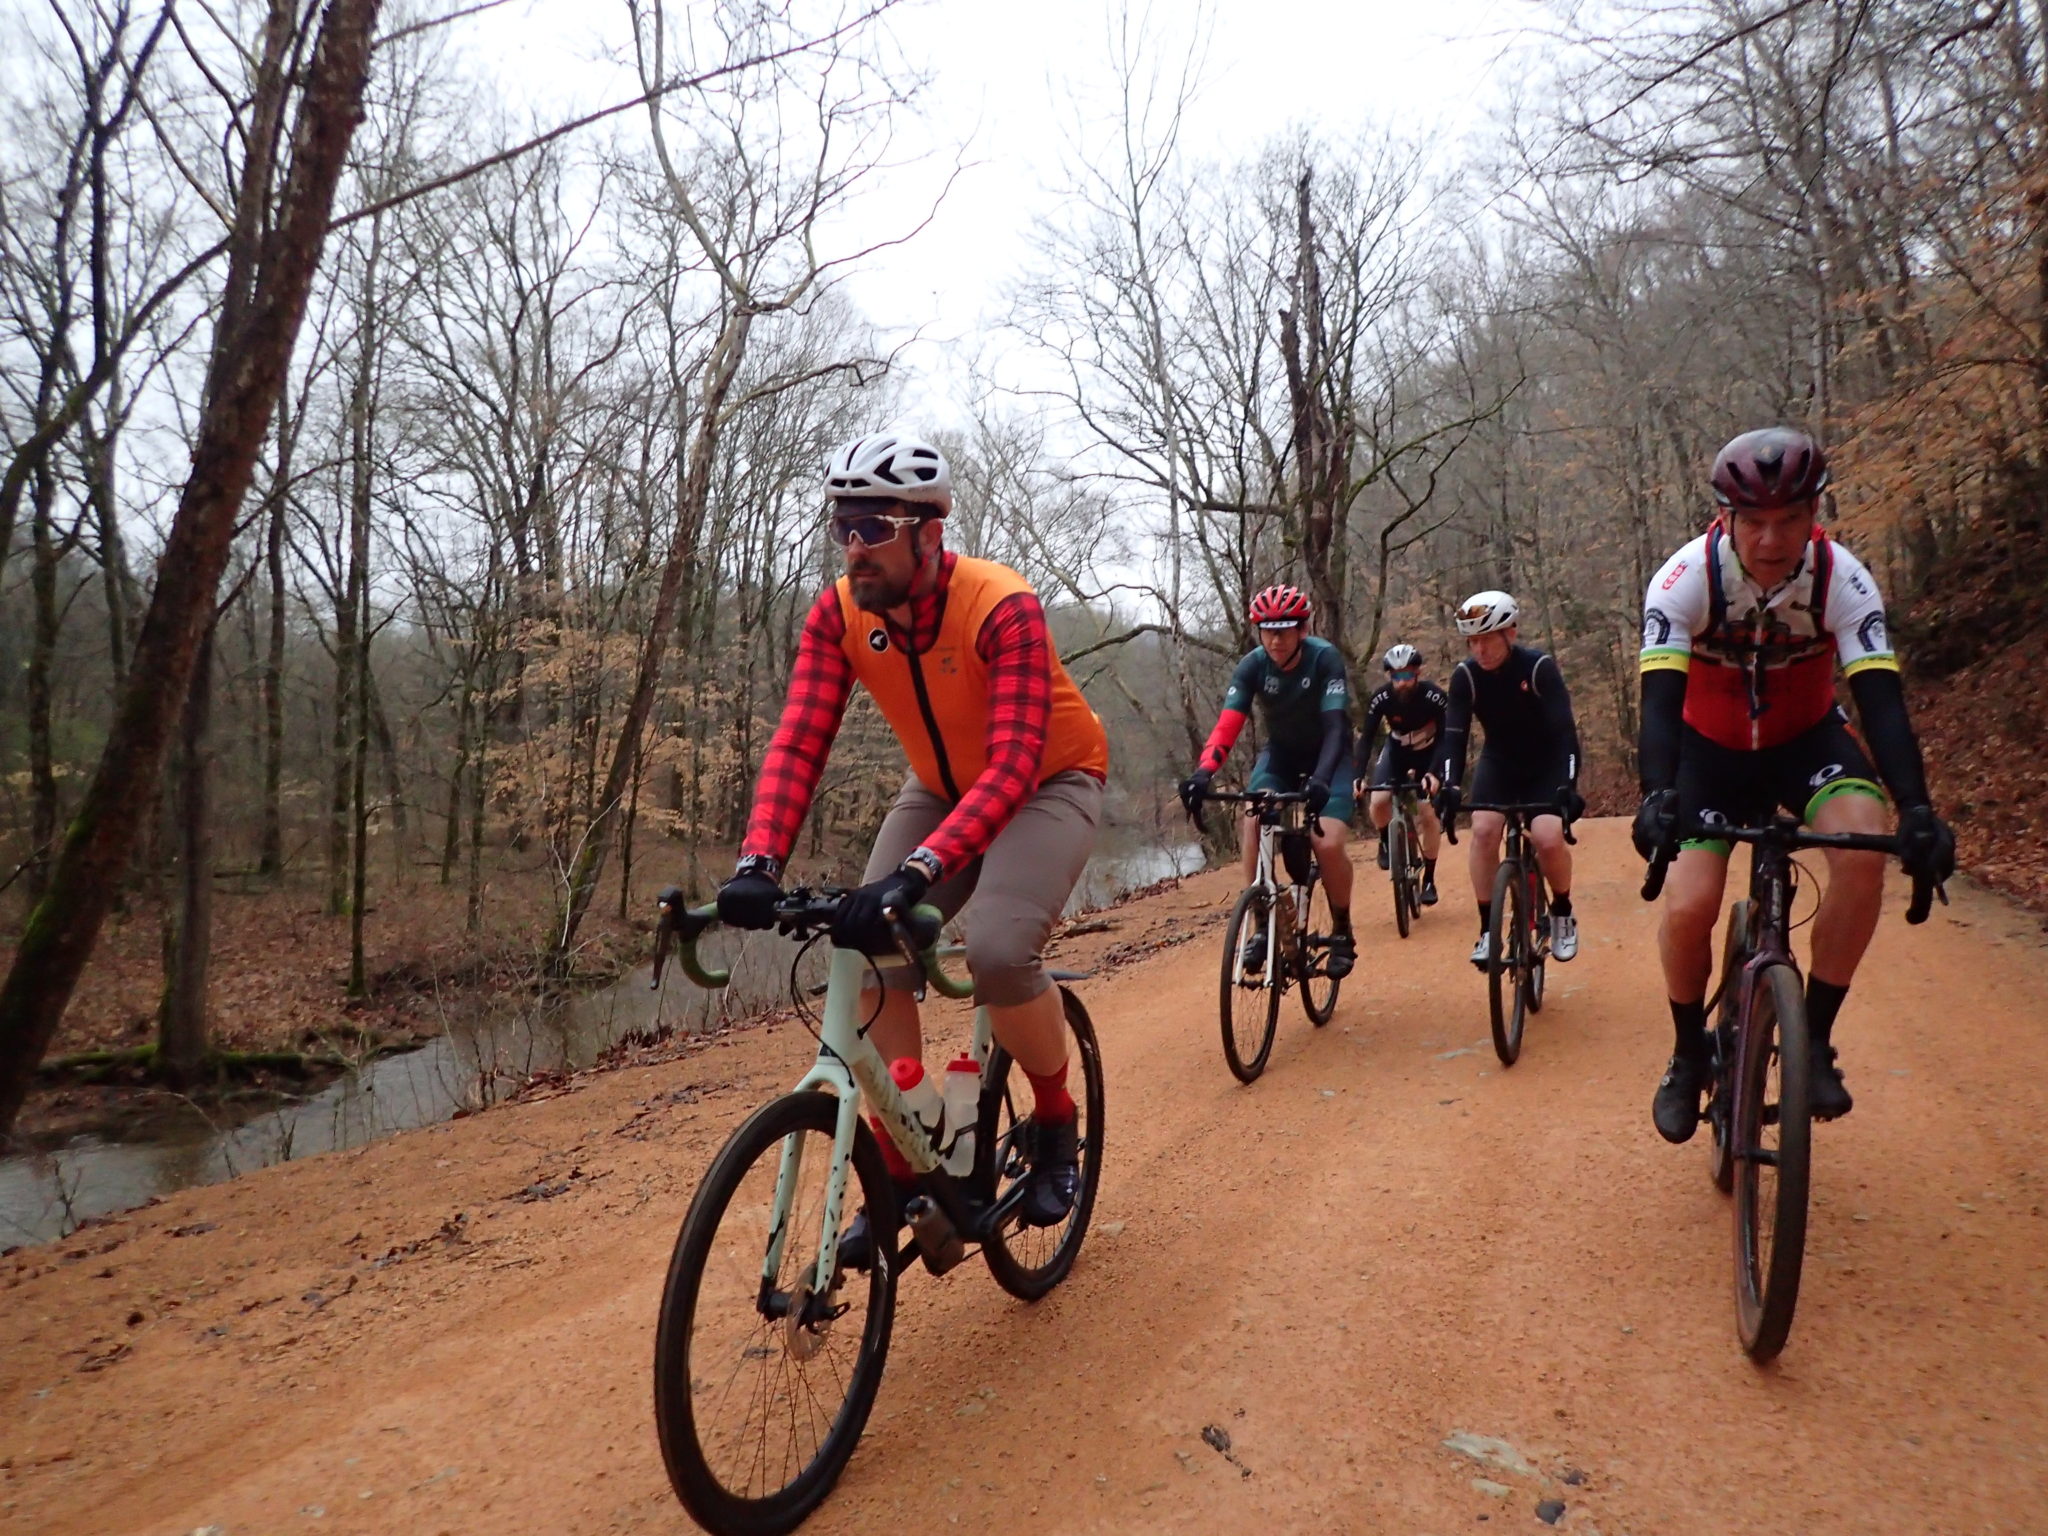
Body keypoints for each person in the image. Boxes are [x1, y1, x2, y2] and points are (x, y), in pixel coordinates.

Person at [716, 431, 1110, 1257]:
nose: (853, 548)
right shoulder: (838, 615)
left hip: (1047, 780)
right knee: (862, 949)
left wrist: (920, 871)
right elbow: (797, 743)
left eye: (873, 528)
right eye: (842, 527)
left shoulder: (1001, 605)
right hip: (940, 785)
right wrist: (758, 861)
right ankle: (906, 1160)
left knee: (999, 951)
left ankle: (1055, 1120)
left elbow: (1009, 768)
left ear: (929, 531)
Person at [1634, 427, 1956, 1142]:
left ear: (1816, 515)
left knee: (1866, 847)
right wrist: (1656, 794)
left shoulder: (1845, 579)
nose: (1773, 540)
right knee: (1691, 906)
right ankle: (1690, 1054)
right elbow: (1658, 705)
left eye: (1790, 521)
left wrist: (1918, 809)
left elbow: (1882, 704)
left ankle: (1813, 1040)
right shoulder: (1682, 581)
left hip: (1806, 740)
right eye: (1754, 522)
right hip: (1708, 750)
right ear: (1726, 519)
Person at [1179, 584, 1359, 978]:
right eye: (1267, 630)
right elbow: (1228, 725)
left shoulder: (1324, 659)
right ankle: (1261, 922)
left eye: (1285, 629)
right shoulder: (1253, 665)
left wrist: (1322, 779)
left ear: (1303, 628)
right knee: (1254, 817)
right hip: (1280, 756)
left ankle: (1342, 929)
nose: (1276, 639)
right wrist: (1202, 773)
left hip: (1330, 757)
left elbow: (1333, 727)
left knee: (1326, 842)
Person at [1432, 591, 1584, 967]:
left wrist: (1568, 785)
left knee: (1548, 837)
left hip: (1545, 762)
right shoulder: (1465, 677)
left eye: (1486, 638)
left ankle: (1562, 910)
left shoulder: (1538, 668)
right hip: (1499, 760)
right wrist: (1450, 786)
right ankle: (1487, 929)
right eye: (1472, 641)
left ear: (1510, 633)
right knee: (1483, 830)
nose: (1479, 649)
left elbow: (1565, 733)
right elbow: (1454, 736)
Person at [1356, 643, 1447, 906]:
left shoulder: (1434, 696)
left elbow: (1446, 738)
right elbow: (1366, 738)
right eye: (1396, 677)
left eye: (1407, 676)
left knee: (1427, 813)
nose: (1402, 683)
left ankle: (1429, 878)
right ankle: (1385, 840)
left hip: (1429, 752)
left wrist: (1434, 773)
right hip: (1396, 749)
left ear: (1417, 673)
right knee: (1378, 801)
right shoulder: (1381, 698)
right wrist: (1358, 776)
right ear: (1389, 677)